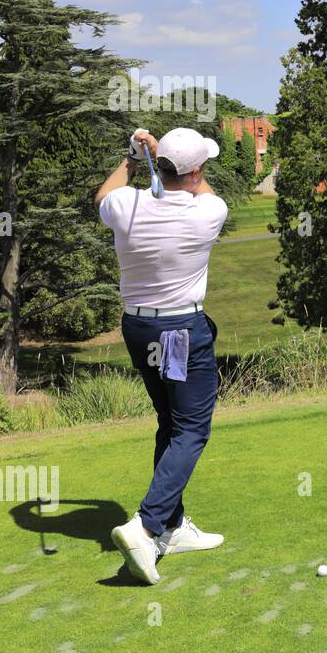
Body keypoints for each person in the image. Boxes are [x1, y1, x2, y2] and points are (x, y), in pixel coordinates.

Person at [94, 127, 229, 585]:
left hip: (138, 327)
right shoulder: (207, 212)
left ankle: (172, 525)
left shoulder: (125, 205)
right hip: (180, 331)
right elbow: (204, 191)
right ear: (194, 171)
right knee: (191, 428)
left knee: (170, 423)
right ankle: (147, 525)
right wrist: (160, 157)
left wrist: (133, 158)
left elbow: (104, 195)